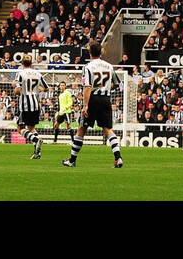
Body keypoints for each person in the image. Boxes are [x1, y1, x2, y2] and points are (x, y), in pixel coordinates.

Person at [63, 41, 123, 169]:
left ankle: (72, 160)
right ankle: (118, 157)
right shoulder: (109, 66)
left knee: (81, 129)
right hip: (106, 99)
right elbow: (117, 83)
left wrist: (85, 105)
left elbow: (87, 87)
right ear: (100, 52)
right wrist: (106, 87)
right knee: (107, 129)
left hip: (93, 99)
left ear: (90, 52)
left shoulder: (88, 67)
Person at [13, 55, 49, 160]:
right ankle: (37, 153)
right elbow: (46, 88)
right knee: (32, 128)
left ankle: (35, 139)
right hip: (36, 104)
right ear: (31, 63)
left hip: (24, 105)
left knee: (20, 128)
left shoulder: (20, 74)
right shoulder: (37, 73)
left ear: (22, 64)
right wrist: (38, 90)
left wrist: (14, 87)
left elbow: (18, 90)